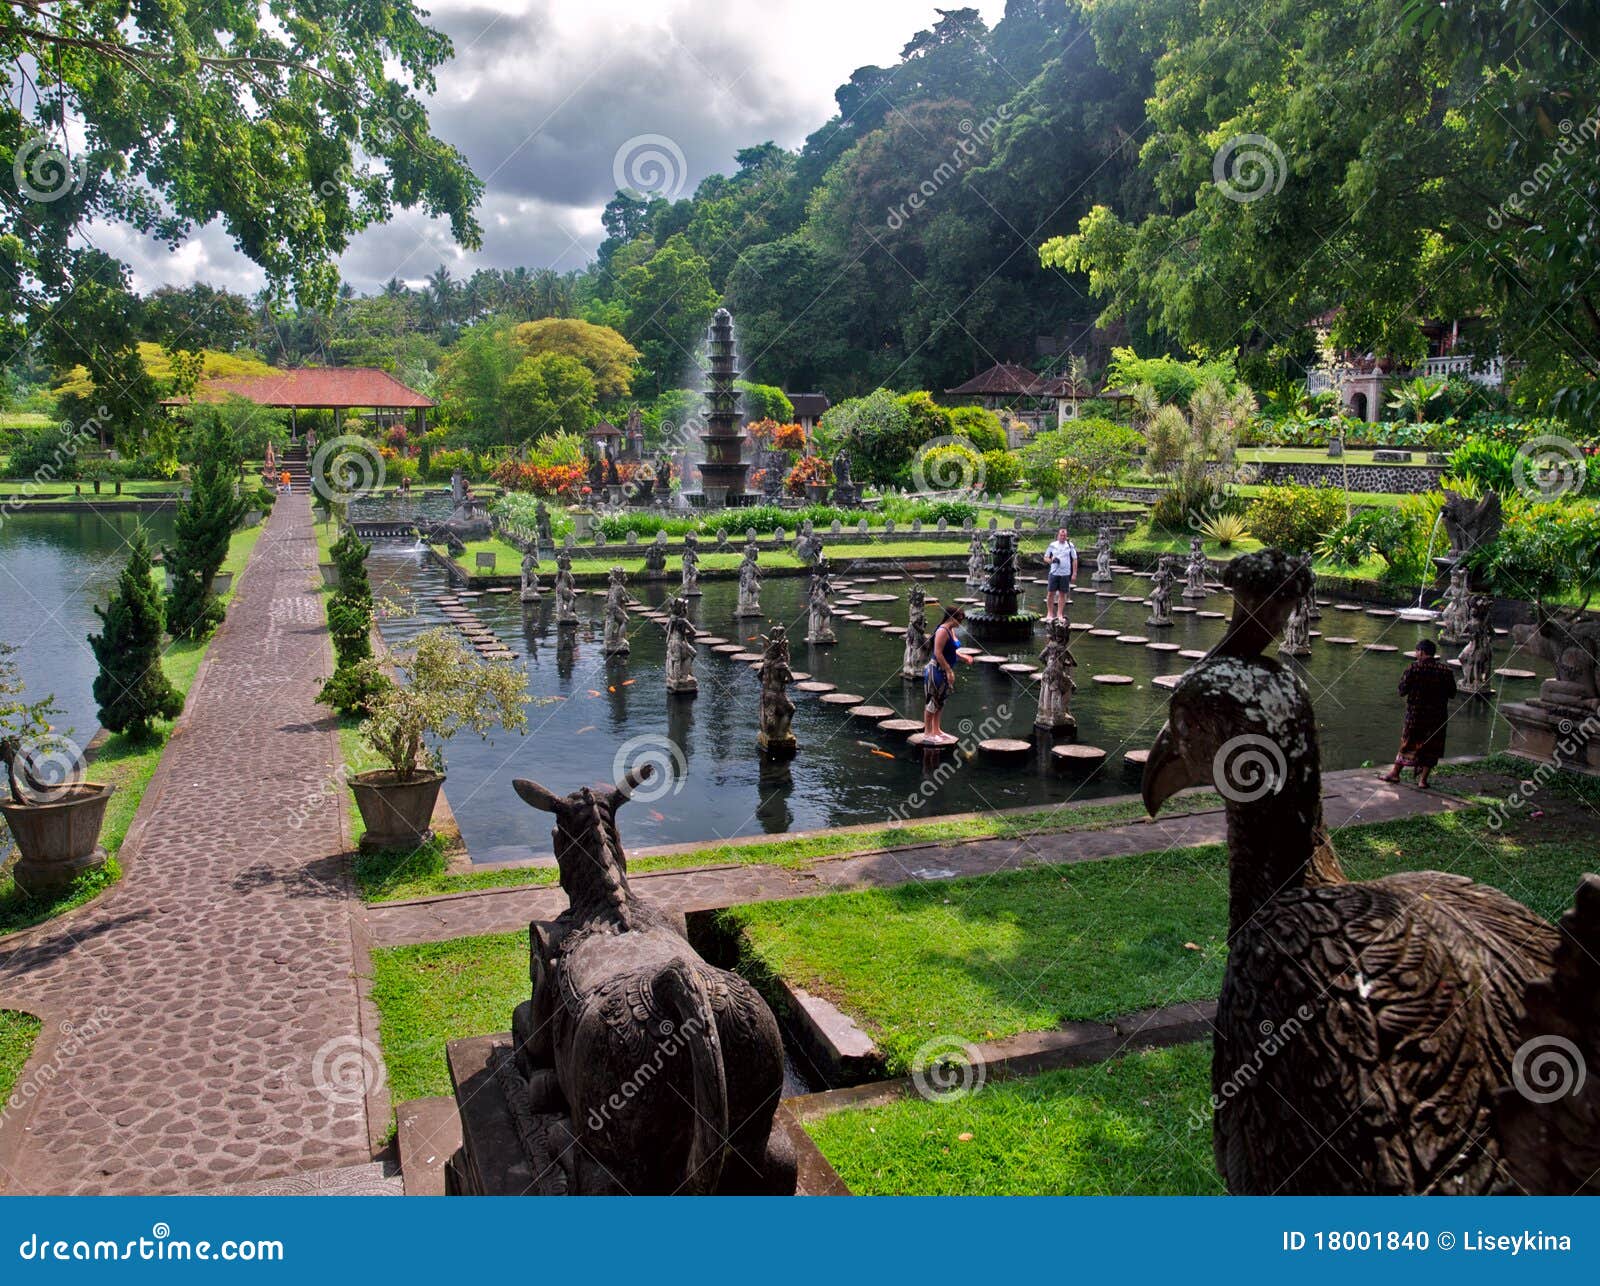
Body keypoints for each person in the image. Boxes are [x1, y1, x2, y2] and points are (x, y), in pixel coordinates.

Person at [1380, 638, 1457, 789]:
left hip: (1416, 715)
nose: (1416, 654)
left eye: (1417, 651)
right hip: (1437, 716)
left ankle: (1395, 773)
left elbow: (1402, 690)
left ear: (1421, 652)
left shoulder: (1414, 669)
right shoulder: (1446, 671)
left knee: (1408, 743)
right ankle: (1423, 780)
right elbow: (1452, 693)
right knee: (1432, 746)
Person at [922, 606, 974, 745]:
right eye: (959, 620)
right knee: (932, 700)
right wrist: (948, 670)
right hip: (936, 670)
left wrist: (964, 657)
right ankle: (928, 732)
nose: (960, 623)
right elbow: (938, 653)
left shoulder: (951, 630)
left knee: (941, 701)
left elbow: (951, 651)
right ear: (951, 617)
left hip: (944, 670)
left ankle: (937, 729)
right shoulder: (942, 631)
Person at [1042, 527, 1078, 623]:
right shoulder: (1052, 545)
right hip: (1054, 573)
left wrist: (1074, 573)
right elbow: (1045, 558)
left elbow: (1074, 559)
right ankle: (1049, 613)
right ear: (1058, 536)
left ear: (1066, 536)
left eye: (1064, 535)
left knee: (1063, 594)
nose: (1063, 537)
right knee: (1050, 593)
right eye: (1061, 535)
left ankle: (1059, 614)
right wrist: (1052, 560)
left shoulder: (1070, 546)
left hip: (1065, 573)